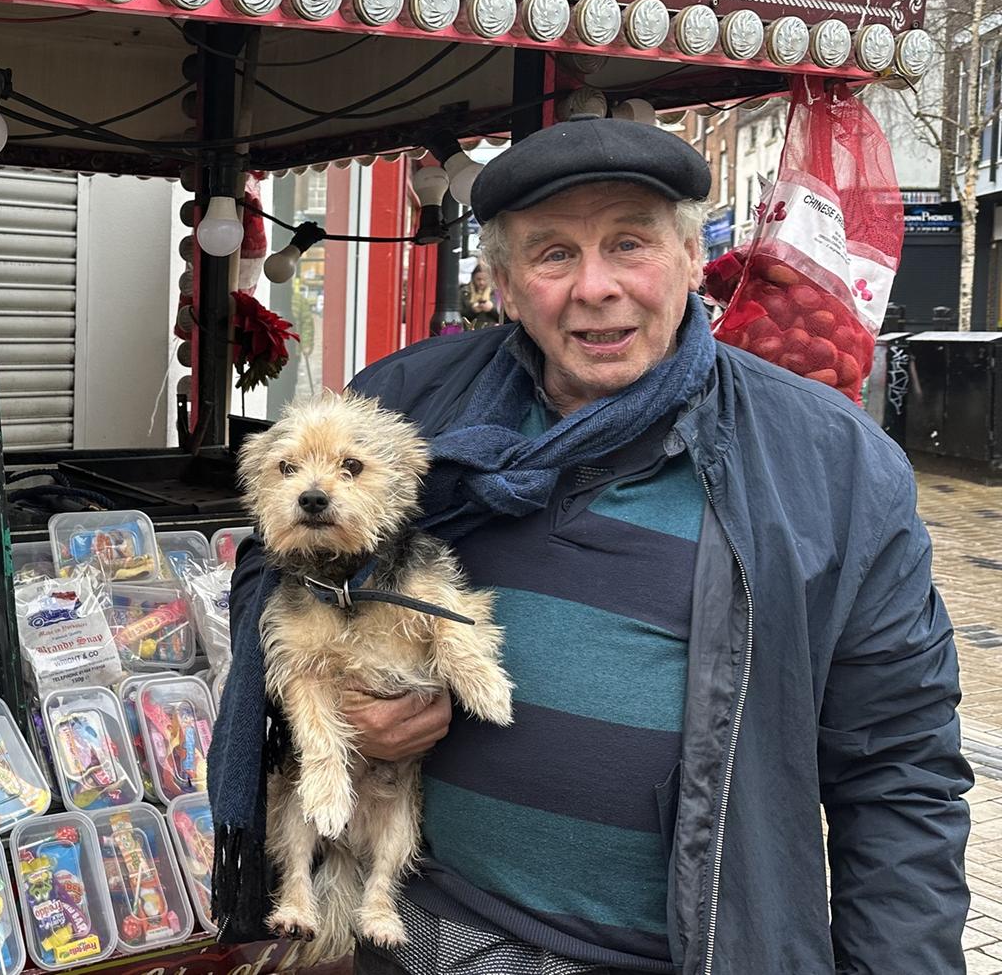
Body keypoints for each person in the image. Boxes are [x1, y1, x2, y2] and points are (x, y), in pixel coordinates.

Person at [211, 118, 970, 975]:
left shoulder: (831, 463)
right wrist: (337, 705)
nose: (596, 286)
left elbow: (900, 769)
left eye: (629, 243)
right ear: (501, 283)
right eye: (553, 254)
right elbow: (268, 569)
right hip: (425, 933)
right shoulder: (407, 405)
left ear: (691, 259)